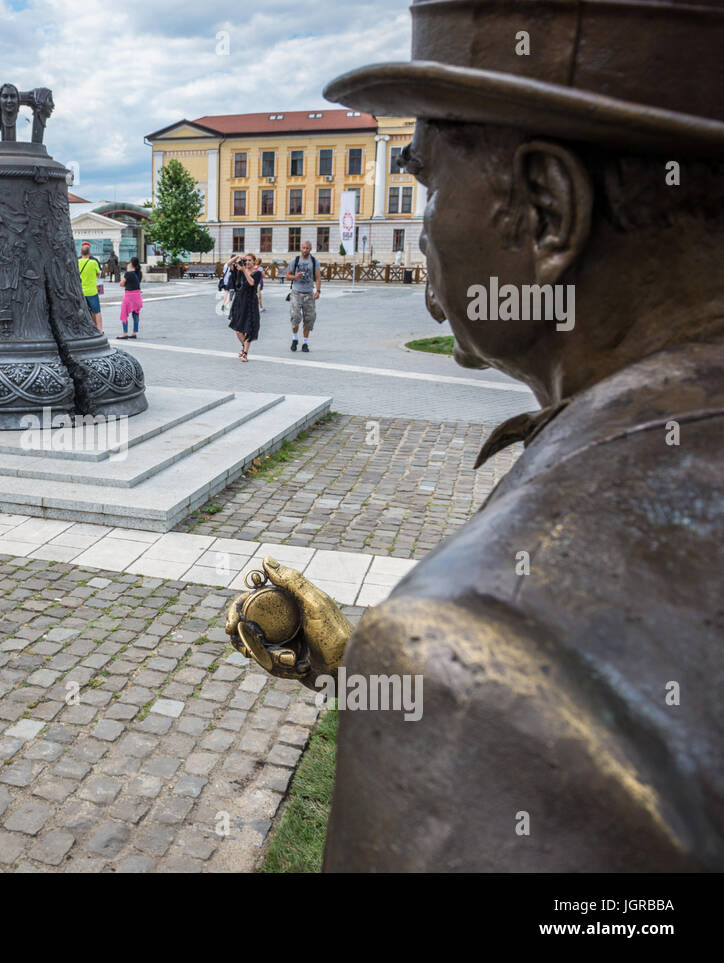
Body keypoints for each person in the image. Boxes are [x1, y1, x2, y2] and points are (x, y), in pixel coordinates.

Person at [231, 0, 724, 871]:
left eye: (427, 183)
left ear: (544, 210)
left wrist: (428, 679)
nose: (422, 228)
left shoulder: (468, 662)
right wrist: (358, 668)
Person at [286, 239, 321, 352]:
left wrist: (318, 291)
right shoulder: (295, 260)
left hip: (309, 293)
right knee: (295, 317)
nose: (305, 250)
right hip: (296, 292)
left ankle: (305, 343)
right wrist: (295, 277)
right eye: (303, 248)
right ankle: (295, 339)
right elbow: (287, 276)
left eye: (307, 248)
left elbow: (318, 277)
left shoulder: (314, 261)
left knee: (310, 318)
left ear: (310, 249)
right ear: (300, 248)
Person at [225, 253, 259, 361]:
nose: (248, 262)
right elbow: (228, 264)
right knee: (238, 330)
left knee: (248, 329)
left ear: (254, 261)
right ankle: (244, 347)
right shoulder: (239, 270)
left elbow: (252, 283)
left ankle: (245, 353)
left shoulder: (257, 273)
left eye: (250, 260)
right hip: (239, 302)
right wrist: (238, 257)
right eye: (246, 260)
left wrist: (244, 269)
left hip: (250, 303)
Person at [77, 240, 102, 331]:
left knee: (82, 311)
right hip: (92, 291)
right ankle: (99, 329)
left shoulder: (77, 261)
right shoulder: (94, 261)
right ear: (89, 251)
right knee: (96, 311)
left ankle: (83, 329)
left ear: (81, 251)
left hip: (80, 291)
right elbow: (99, 274)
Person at [116, 256, 143, 339]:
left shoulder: (128, 274)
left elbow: (121, 284)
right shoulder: (140, 273)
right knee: (135, 314)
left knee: (124, 313)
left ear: (131, 263)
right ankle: (134, 332)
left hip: (129, 296)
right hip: (137, 295)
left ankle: (125, 333)